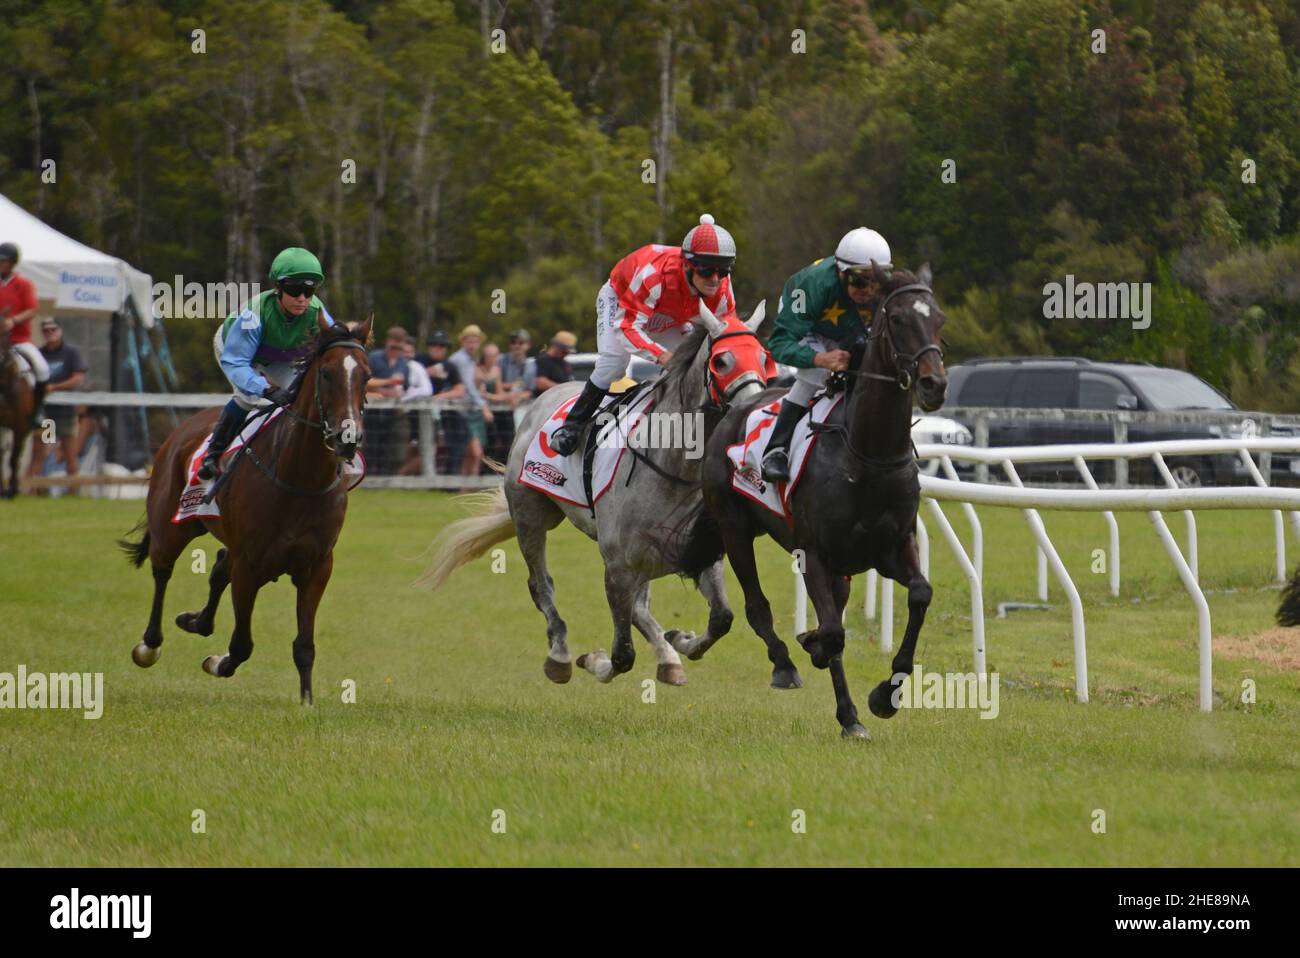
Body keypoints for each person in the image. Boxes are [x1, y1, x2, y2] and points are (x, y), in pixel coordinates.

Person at [548, 213, 740, 455]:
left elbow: (727, 335)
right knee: (615, 363)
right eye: (707, 272)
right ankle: (571, 426)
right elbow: (628, 328)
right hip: (622, 303)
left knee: (697, 360)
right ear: (688, 265)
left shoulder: (722, 288)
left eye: (722, 272)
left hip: (670, 312)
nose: (715, 280)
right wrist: (661, 356)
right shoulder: (654, 276)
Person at [761, 227, 893, 482]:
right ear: (841, 273)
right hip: (805, 322)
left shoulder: (879, 290)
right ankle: (776, 450)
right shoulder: (810, 286)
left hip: (843, 326)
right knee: (819, 372)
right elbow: (778, 343)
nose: (869, 289)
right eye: (860, 281)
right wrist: (819, 359)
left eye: (876, 279)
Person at [198, 247, 335, 480]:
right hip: (238, 353)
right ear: (278, 289)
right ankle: (213, 455)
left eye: (309, 290)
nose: (302, 298)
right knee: (249, 397)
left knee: (300, 398)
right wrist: (266, 388)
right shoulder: (254, 315)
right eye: (294, 289)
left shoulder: (317, 313)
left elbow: (333, 349)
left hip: (281, 357)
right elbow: (237, 363)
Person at [26, 319, 87, 487]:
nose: (50, 333)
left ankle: (73, 492)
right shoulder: (38, 354)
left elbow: (78, 379)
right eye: (46, 330)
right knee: (39, 453)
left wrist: (53, 387)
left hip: (65, 413)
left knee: (69, 454)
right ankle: (31, 490)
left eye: (53, 329)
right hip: (46, 415)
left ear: (60, 331)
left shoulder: (70, 353)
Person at [0, 242, 50, 428]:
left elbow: (32, 310)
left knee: (42, 368)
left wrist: (13, 320)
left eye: (3, 261)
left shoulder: (24, 284)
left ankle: (38, 411)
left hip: (19, 341)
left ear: (12, 263)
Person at [446, 325, 494, 481]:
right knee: (474, 452)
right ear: (463, 342)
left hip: (467, 410)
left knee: (470, 452)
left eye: (475, 341)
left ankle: (464, 488)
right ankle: (466, 486)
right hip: (460, 410)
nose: (472, 345)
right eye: (469, 341)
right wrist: (483, 405)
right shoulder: (460, 359)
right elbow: (468, 385)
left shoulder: (469, 359)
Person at [365, 326, 413, 475]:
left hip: (393, 412)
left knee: (389, 445)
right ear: (387, 342)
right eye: (393, 346)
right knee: (372, 444)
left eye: (399, 347)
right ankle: (370, 475)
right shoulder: (374, 358)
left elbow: (405, 387)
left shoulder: (404, 364)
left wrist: (398, 393)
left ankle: (385, 477)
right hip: (373, 410)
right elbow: (365, 382)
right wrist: (384, 389)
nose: (396, 350)